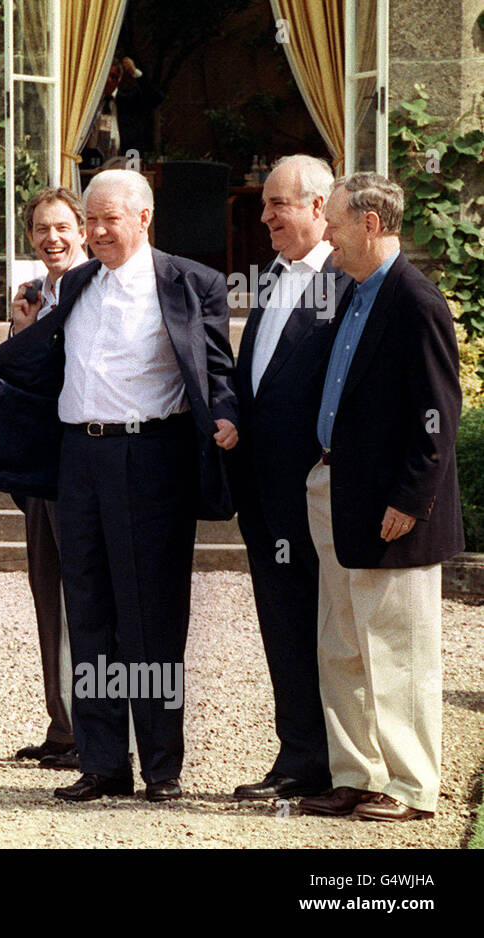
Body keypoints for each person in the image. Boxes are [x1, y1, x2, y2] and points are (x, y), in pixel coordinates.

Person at [0, 169, 238, 803]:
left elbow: (216, 366)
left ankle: (162, 770)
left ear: (144, 216)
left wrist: (226, 416)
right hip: (77, 459)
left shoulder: (192, 283)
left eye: (111, 218)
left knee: (153, 618)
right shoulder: (77, 283)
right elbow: (42, 360)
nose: (99, 231)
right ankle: (104, 762)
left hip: (152, 459)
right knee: (88, 612)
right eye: (93, 219)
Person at [298, 173, 463, 822]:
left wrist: (412, 500)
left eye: (334, 222)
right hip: (336, 489)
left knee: (397, 651)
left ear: (370, 224)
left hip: (393, 509)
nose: (326, 234)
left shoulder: (415, 301)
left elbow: (437, 414)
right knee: (340, 643)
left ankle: (409, 787)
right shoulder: (354, 293)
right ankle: (357, 774)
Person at [229, 155, 351, 801]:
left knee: (333, 634)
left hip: (320, 495)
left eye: (278, 204)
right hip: (265, 499)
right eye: (267, 204)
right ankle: (298, 758)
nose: (266, 216)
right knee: (284, 629)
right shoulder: (270, 278)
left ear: (318, 208)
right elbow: (257, 380)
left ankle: (343, 767)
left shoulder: (348, 282)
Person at [0, 187, 89, 770]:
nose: (51, 238)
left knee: (84, 598)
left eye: (61, 226)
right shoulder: (43, 299)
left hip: (83, 469)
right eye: (41, 228)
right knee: (48, 593)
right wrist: (21, 330)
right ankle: (62, 724)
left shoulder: (93, 289)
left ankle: (92, 727)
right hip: (39, 471)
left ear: (83, 230)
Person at [83, 56, 164, 165]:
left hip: (123, 161)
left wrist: (135, 72)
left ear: (119, 79)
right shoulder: (88, 102)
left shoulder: (128, 100)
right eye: (105, 76)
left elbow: (156, 98)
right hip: (90, 162)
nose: (108, 80)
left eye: (113, 76)